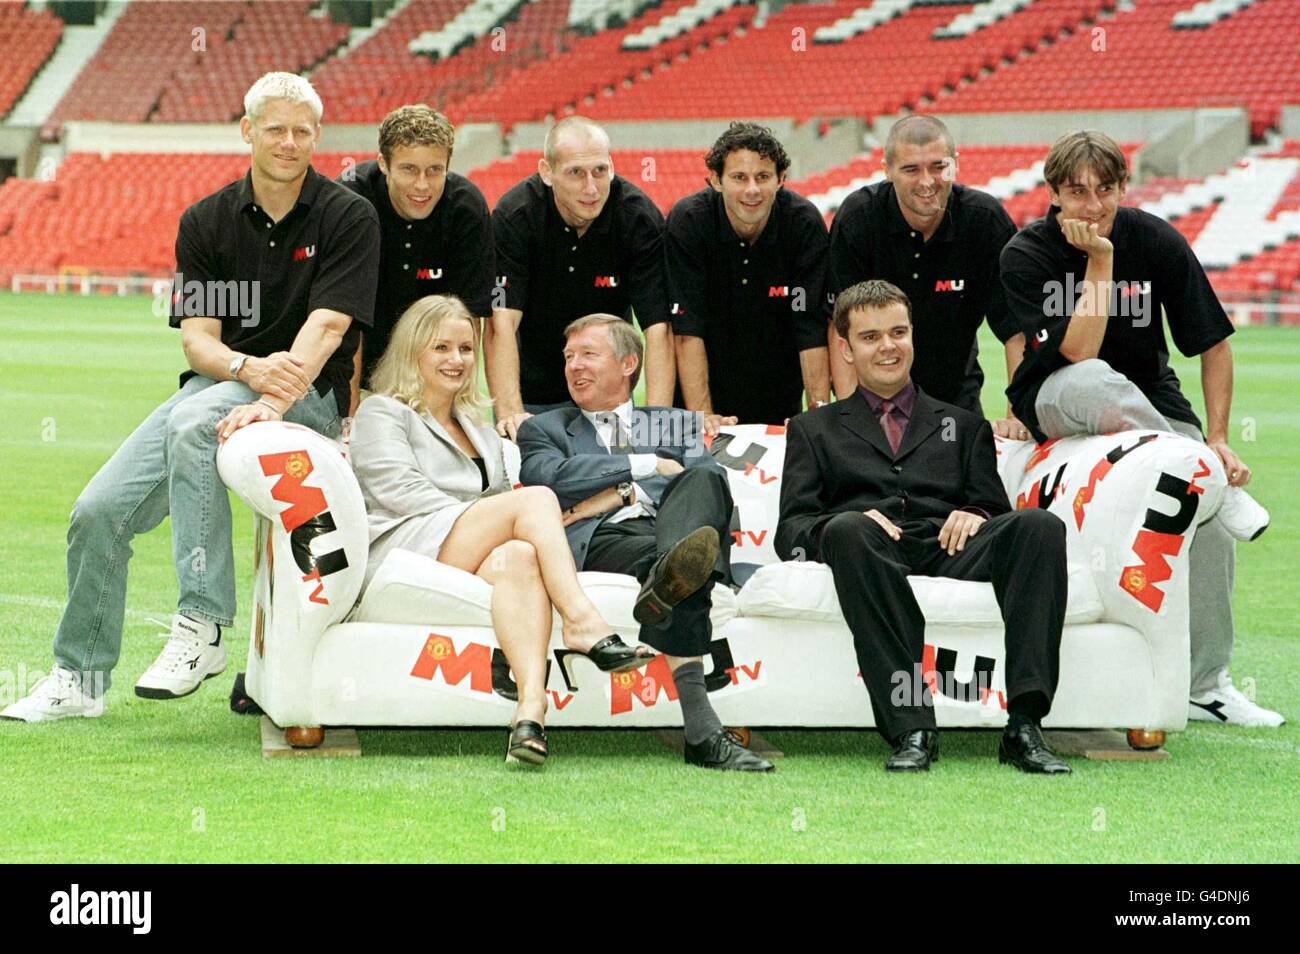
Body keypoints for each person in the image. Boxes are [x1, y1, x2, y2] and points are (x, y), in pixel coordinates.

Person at [2, 72, 380, 723]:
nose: (288, 142)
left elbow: (327, 329)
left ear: (317, 136)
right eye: (275, 129)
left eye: (301, 131)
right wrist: (246, 369)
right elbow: (200, 343)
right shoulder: (207, 221)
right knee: (98, 509)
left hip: (309, 397)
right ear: (247, 132)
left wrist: (272, 397)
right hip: (224, 385)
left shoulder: (346, 216)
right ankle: (79, 678)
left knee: (197, 422)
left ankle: (201, 624)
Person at [1001, 130, 1283, 728]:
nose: (1093, 204)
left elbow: (1213, 342)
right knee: (1096, 378)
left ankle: (1205, 684)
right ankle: (1217, 481)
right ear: (1052, 192)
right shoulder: (1027, 253)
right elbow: (1076, 353)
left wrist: (1218, 437)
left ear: (1123, 187)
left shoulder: (1154, 238)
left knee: (1203, 514)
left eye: (1106, 189)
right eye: (1077, 191)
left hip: (1152, 407)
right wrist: (1100, 259)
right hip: (1058, 400)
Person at [776, 281, 1071, 774]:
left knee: (1039, 527)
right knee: (849, 530)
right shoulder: (813, 429)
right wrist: (837, 525)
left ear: (913, 336)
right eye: (870, 338)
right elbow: (792, 530)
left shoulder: (963, 424)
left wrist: (975, 516)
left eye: (898, 333)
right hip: (867, 551)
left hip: (948, 546)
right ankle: (912, 727)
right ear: (845, 350)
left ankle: (1025, 725)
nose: (888, 347)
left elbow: (992, 508)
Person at [350, 296, 652, 765]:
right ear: (412, 351)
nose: (457, 360)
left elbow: (507, 505)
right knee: (534, 500)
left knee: (521, 557)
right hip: (407, 545)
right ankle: (581, 621)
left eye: (466, 349)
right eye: (441, 348)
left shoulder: (479, 428)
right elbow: (400, 492)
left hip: (465, 547)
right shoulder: (383, 412)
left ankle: (531, 710)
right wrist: (490, 518)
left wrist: (502, 521)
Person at [517, 314, 773, 771]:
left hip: (668, 532)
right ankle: (703, 733)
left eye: (589, 355)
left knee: (697, 498)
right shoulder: (546, 427)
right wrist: (643, 469)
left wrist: (601, 495)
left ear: (629, 362)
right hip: (606, 539)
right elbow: (547, 479)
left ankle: (669, 576)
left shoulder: (672, 423)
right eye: (569, 358)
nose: (575, 367)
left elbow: (707, 486)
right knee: (682, 562)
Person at [828, 115, 1028, 437]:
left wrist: (1017, 417)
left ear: (956, 165)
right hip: (875, 403)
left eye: (938, 167)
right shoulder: (858, 220)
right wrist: (855, 418)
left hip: (955, 401)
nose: (926, 181)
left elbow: (1016, 329)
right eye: (910, 169)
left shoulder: (985, 222)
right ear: (887, 170)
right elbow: (840, 328)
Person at [487, 117, 674, 439]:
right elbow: (501, 322)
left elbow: (658, 329)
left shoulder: (638, 218)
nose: (591, 188)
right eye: (576, 173)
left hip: (609, 395)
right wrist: (511, 414)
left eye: (600, 171)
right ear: (547, 172)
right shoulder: (514, 216)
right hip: (534, 390)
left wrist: (656, 423)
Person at [666, 122, 831, 431]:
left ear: (781, 179)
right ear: (716, 180)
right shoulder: (689, 222)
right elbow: (688, 328)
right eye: (739, 177)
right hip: (700, 397)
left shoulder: (803, 224)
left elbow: (809, 326)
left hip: (778, 397)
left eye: (763, 177)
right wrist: (704, 416)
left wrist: (817, 412)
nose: (752, 189)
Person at [338, 104, 494, 391]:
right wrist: (350, 415)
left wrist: (456, 403)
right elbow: (345, 317)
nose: (423, 185)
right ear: (383, 163)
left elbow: (469, 318)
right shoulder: (351, 202)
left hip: (431, 375)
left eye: (434, 170)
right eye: (409, 169)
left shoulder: (466, 209)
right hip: (356, 362)